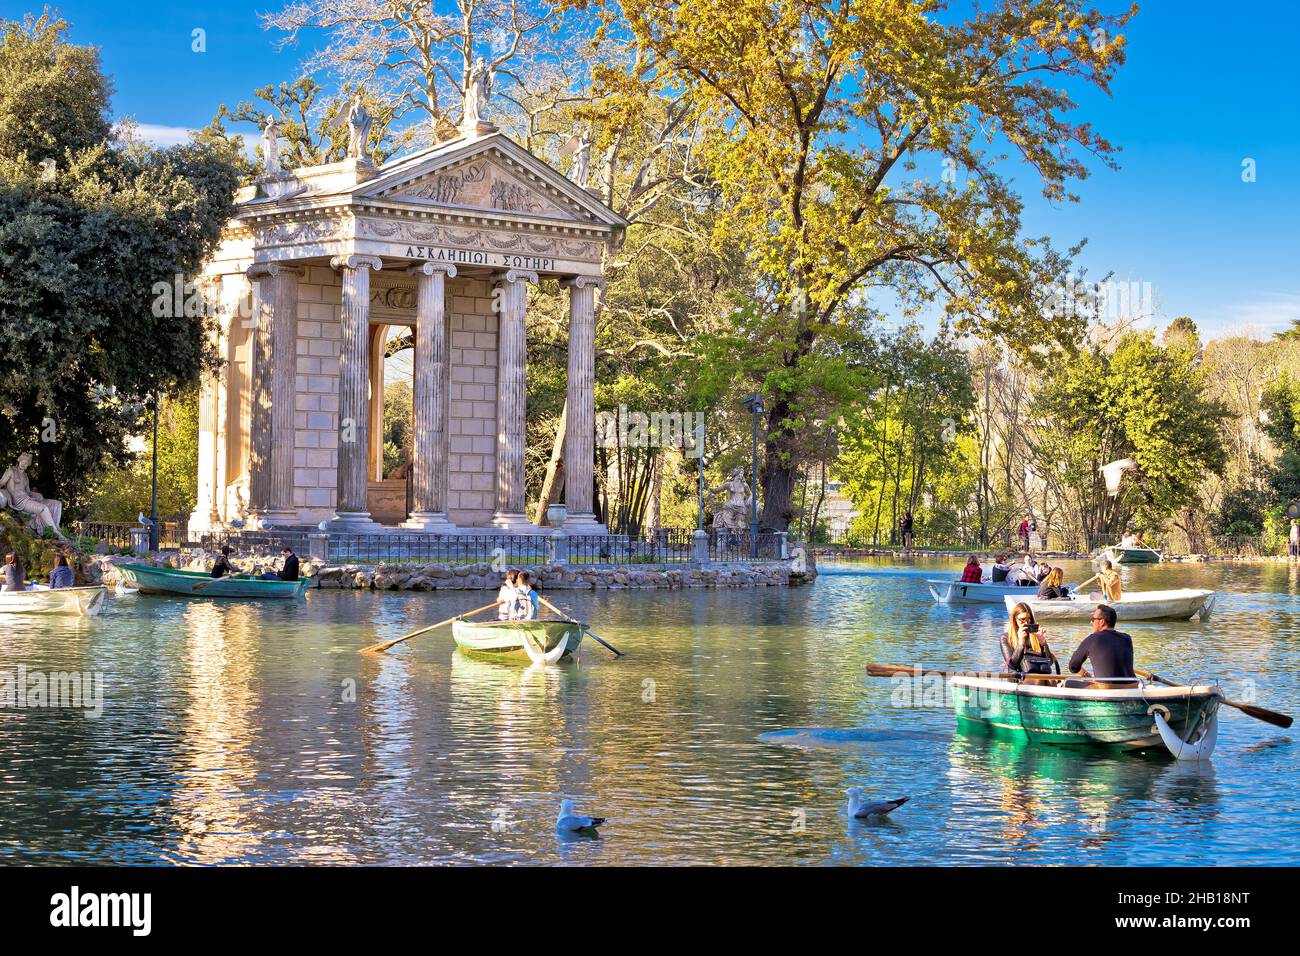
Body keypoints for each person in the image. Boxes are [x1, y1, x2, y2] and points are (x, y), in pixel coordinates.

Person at [1067, 604, 1136, 682]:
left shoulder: (1093, 639)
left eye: (1093, 619)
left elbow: (1073, 666)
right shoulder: (1127, 638)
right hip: (1132, 686)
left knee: (1067, 683)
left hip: (1106, 688)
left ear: (1102, 622)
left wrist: (1085, 674)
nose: (1091, 622)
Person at [1000, 602, 1059, 675]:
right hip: (1019, 676)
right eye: (1022, 619)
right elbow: (1012, 665)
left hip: (1040, 674)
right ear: (1015, 620)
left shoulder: (1035, 635)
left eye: (1029, 619)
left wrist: (1043, 643)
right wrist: (1021, 644)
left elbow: (1049, 662)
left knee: (1051, 681)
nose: (1026, 623)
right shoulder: (1005, 638)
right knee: (1040, 681)